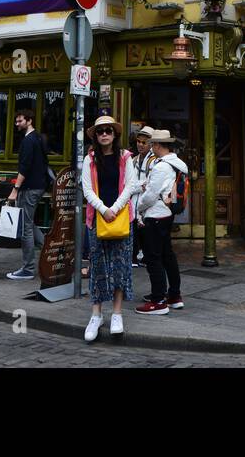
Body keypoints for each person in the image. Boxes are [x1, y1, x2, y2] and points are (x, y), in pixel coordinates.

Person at [80, 115, 141, 342]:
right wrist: (102, 209)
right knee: (97, 267)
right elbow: (87, 189)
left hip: (121, 218)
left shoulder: (126, 157)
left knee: (120, 266)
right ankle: (96, 314)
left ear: (115, 134)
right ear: (95, 136)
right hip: (97, 220)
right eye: (100, 131)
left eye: (108, 130)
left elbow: (131, 186)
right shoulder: (91, 159)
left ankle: (116, 313)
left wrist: (113, 208)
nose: (104, 134)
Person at [135, 130, 189, 315]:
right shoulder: (179, 164)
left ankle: (158, 300)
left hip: (156, 215)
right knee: (167, 255)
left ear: (158, 145)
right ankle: (174, 296)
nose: (150, 147)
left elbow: (150, 195)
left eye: (152, 144)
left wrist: (139, 207)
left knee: (153, 257)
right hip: (168, 214)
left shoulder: (161, 167)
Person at [5, 111, 49, 281]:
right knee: (30, 223)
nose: (17, 123)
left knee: (25, 227)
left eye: (20, 121)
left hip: (29, 188)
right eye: (16, 121)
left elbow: (25, 166)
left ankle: (28, 269)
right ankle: (51, 251)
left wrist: (15, 188)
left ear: (29, 121)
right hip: (38, 187)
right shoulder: (38, 138)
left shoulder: (28, 140)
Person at [132, 125, 156, 268]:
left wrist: (135, 187)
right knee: (135, 231)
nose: (140, 145)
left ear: (151, 144)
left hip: (147, 204)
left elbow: (150, 184)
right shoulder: (134, 159)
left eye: (144, 142)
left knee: (148, 234)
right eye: (138, 141)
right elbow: (128, 183)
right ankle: (135, 257)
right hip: (135, 203)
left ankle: (147, 257)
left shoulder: (153, 161)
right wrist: (138, 186)